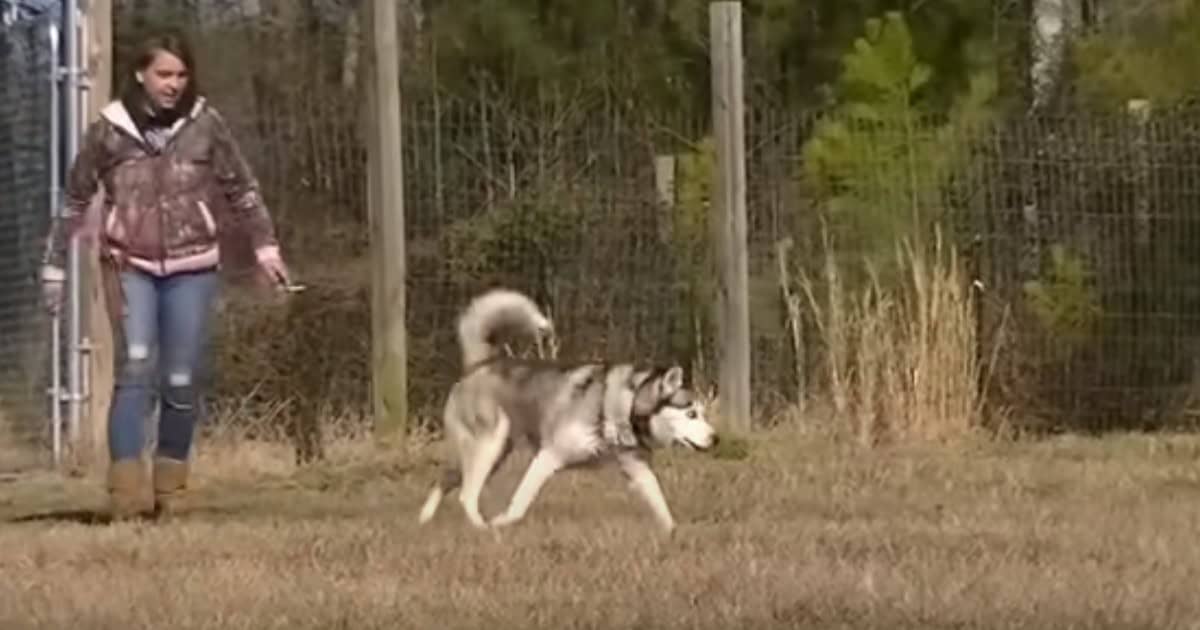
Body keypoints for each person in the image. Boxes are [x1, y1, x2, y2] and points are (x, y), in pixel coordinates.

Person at [40, 30, 292, 521]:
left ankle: (172, 488)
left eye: (181, 74)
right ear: (141, 74)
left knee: (180, 377)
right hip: (129, 265)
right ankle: (125, 488)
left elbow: (242, 190)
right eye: (163, 74)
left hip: (192, 266)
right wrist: (54, 267)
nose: (173, 84)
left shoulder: (206, 125)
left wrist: (266, 249)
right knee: (136, 365)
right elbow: (74, 200)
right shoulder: (108, 130)